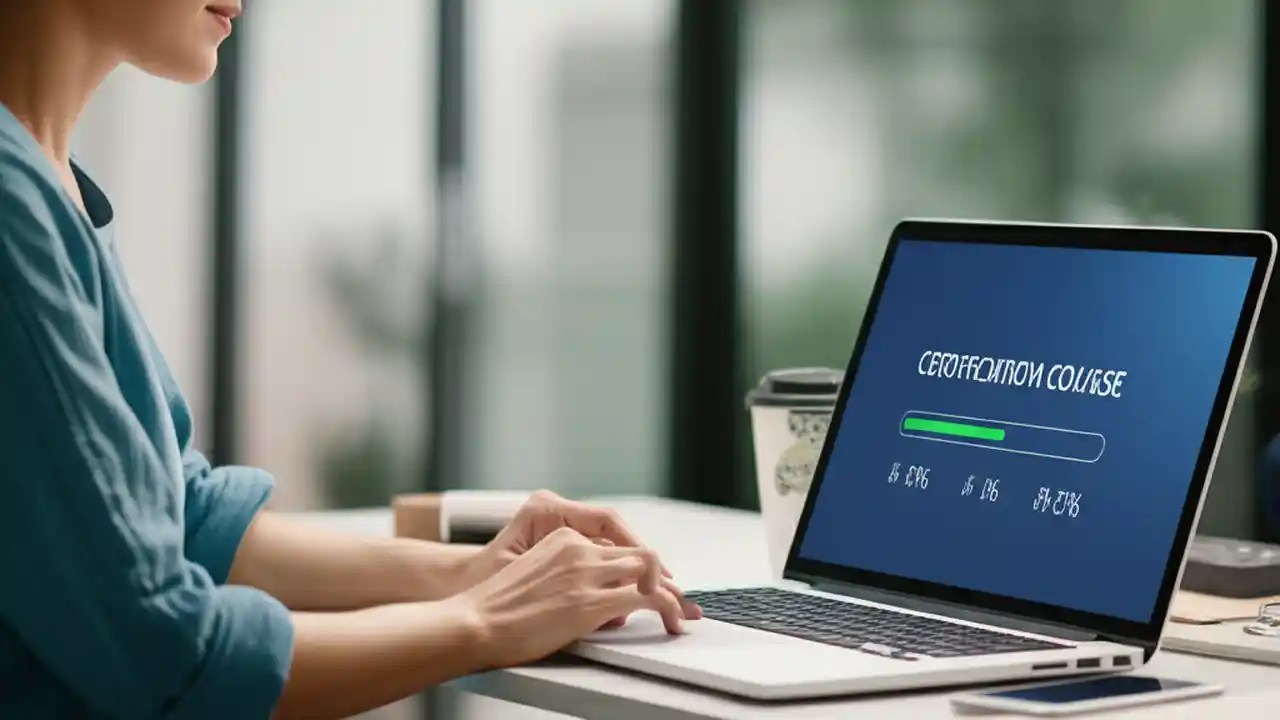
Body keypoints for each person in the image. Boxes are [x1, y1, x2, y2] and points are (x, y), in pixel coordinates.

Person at [0, 1, 700, 717]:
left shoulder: (46, 182)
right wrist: (488, 619)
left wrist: (475, 573)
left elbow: (182, 517)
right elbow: (168, 655)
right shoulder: (8, 205)